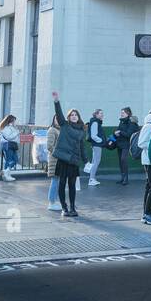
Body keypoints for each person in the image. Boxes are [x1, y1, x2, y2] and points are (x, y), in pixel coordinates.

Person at [51, 91, 86, 219]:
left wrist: (86, 161)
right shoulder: (64, 125)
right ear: (69, 117)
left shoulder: (82, 130)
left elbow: (82, 147)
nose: (74, 116)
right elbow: (59, 114)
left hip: (74, 160)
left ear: (78, 117)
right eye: (72, 115)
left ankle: (72, 207)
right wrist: (56, 101)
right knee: (62, 183)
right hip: (64, 159)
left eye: (76, 115)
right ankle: (64, 208)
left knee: (72, 185)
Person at [114, 107, 139, 185]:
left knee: (123, 160)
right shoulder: (121, 122)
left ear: (128, 113)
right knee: (120, 161)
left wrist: (120, 132)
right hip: (119, 144)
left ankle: (126, 179)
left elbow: (129, 134)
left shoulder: (131, 122)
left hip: (126, 144)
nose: (121, 114)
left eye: (123, 113)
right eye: (121, 112)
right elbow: (118, 130)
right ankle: (122, 178)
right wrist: (115, 132)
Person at [0, 114, 20, 181]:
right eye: (14, 121)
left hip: (12, 145)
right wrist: (17, 133)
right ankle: (6, 174)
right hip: (8, 145)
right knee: (10, 160)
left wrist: (16, 130)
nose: (14, 122)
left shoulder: (11, 127)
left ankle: (6, 173)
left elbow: (15, 138)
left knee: (14, 159)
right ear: (10, 121)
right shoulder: (5, 128)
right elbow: (9, 137)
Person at [86, 108, 105, 186]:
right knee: (96, 162)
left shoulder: (96, 122)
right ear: (96, 114)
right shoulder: (95, 122)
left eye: (102, 113)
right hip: (97, 145)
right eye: (101, 113)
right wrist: (100, 140)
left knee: (95, 162)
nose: (102, 115)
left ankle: (92, 178)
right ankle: (91, 179)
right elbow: (94, 136)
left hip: (96, 145)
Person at [46, 114, 60, 210]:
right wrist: (60, 153)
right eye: (56, 119)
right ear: (53, 120)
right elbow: (49, 146)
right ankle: (51, 202)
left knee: (57, 181)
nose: (58, 120)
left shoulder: (60, 130)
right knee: (54, 180)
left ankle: (54, 201)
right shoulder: (52, 130)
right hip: (55, 159)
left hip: (60, 159)